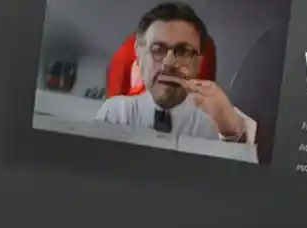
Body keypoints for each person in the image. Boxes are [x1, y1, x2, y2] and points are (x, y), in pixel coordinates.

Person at [95, 3, 252, 143]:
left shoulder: (217, 124)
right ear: (139, 54)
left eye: (183, 51)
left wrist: (233, 131)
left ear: (198, 63)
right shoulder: (115, 113)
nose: (169, 63)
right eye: (157, 49)